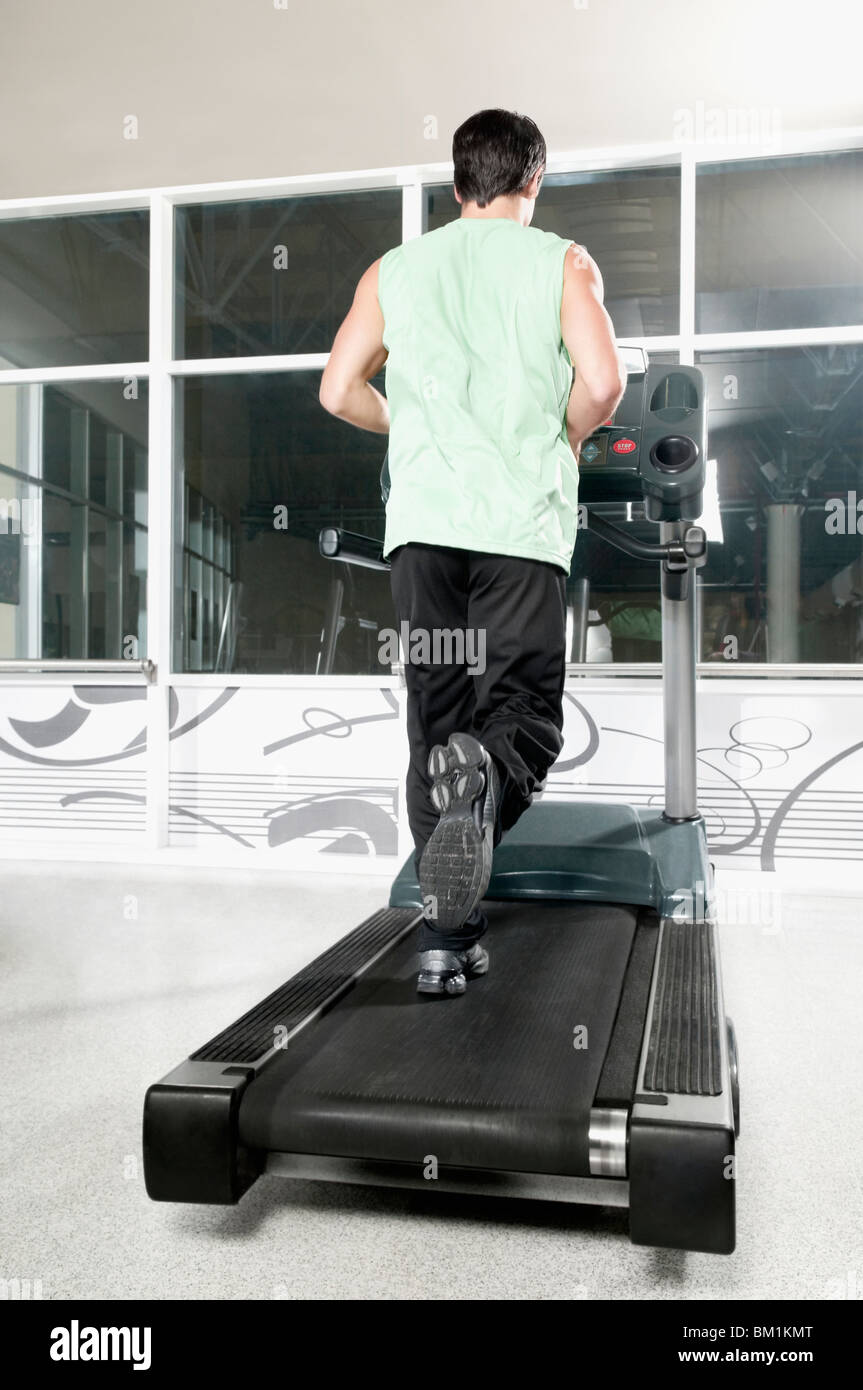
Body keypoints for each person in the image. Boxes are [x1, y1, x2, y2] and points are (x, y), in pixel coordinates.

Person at [320, 108, 625, 997]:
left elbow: (339, 389)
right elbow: (601, 384)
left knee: (435, 717)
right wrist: (555, 441)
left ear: (457, 185)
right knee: (521, 708)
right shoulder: (561, 262)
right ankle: (485, 775)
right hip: (516, 530)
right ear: (534, 180)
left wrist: (409, 423)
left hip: (420, 533)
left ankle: (445, 941)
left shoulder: (395, 268)